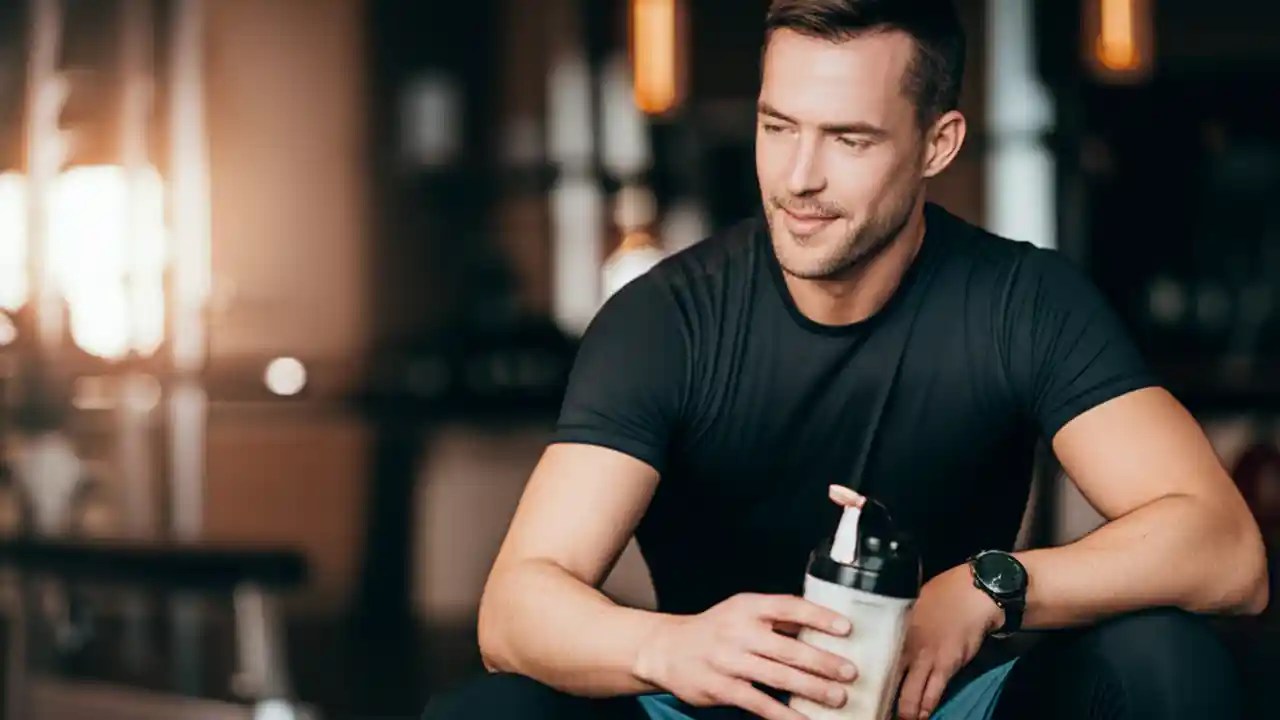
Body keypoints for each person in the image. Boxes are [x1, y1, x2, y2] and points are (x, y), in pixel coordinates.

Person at [427, 1, 1269, 718]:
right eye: (776, 126)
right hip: (710, 701)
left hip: (936, 704)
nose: (798, 176)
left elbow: (1226, 550)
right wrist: (670, 644)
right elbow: (514, 610)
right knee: (494, 708)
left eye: (849, 140)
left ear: (937, 144)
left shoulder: (1023, 300)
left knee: (1165, 659)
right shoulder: (665, 320)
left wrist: (987, 588)